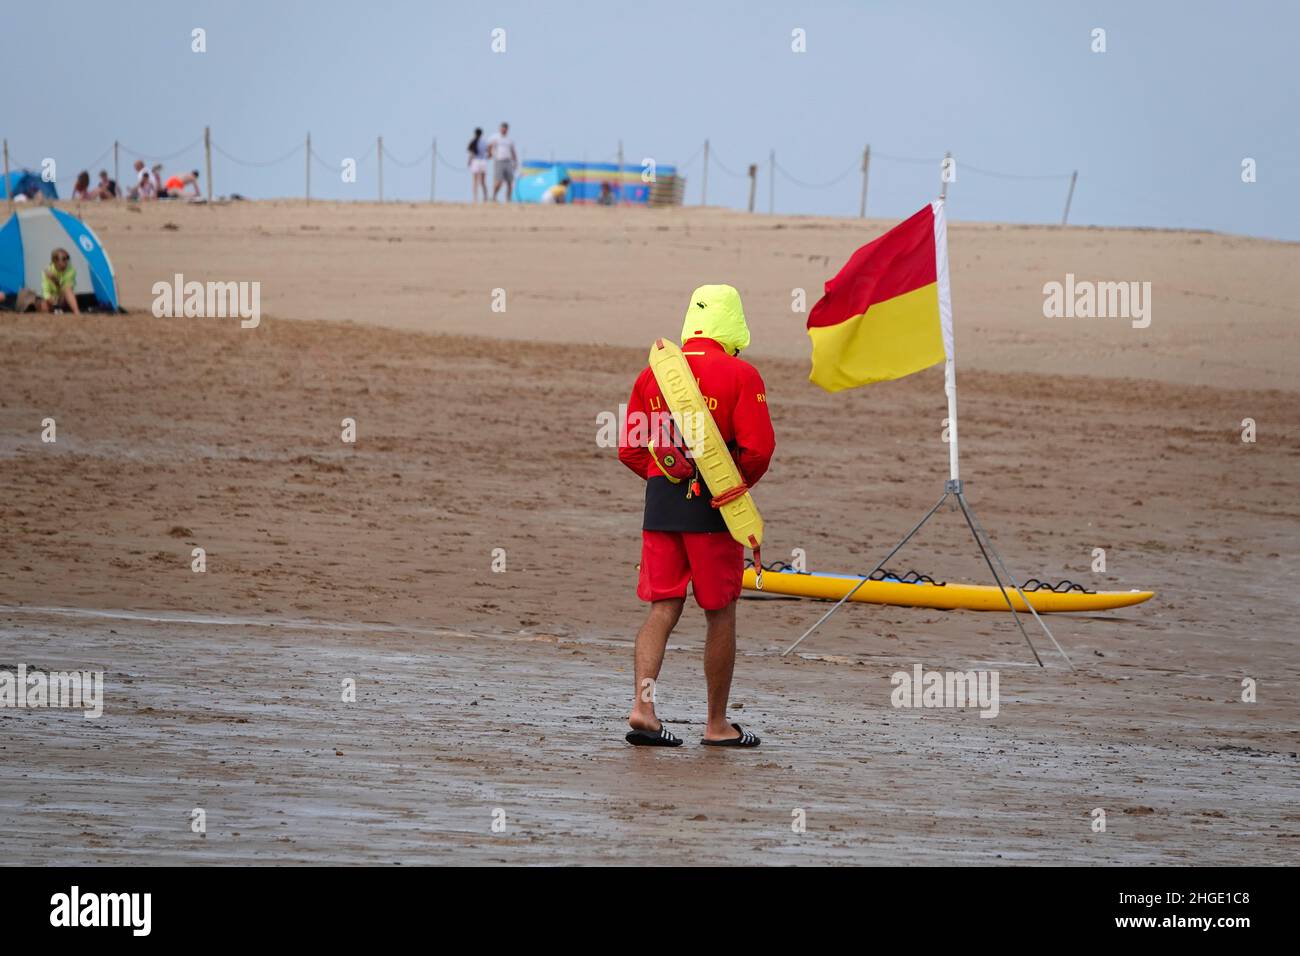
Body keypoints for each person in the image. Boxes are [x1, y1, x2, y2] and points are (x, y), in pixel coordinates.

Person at [617, 284, 775, 747]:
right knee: (719, 612)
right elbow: (759, 449)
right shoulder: (741, 374)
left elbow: (630, 448)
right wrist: (732, 490)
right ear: (734, 324)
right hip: (714, 510)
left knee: (662, 607)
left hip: (661, 508)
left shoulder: (653, 374)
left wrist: (665, 478)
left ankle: (643, 708)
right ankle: (717, 725)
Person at [38, 248, 80, 314]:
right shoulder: (47, 271)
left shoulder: (71, 270)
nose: (67, 261)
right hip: (52, 299)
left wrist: (55, 281)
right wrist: (51, 299)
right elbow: (46, 292)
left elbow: (65, 289)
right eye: (64, 259)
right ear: (55, 261)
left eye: (67, 258)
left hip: (63, 298)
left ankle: (77, 312)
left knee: (68, 290)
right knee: (44, 305)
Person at [486, 122, 517, 202]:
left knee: (510, 182)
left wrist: (515, 162)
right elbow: (489, 145)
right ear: (500, 128)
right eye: (502, 128)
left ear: (507, 129)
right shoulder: (495, 137)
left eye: (505, 128)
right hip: (499, 161)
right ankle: (494, 196)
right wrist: (489, 153)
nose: (503, 130)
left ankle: (508, 199)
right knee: (499, 181)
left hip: (508, 161)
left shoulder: (509, 140)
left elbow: (513, 151)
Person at [467, 127, 488, 202]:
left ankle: (475, 198)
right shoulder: (484, 142)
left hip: (476, 161)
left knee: (475, 181)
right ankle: (485, 197)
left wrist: (469, 161)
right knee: (482, 181)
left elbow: (471, 153)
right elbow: (488, 152)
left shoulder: (473, 141)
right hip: (483, 161)